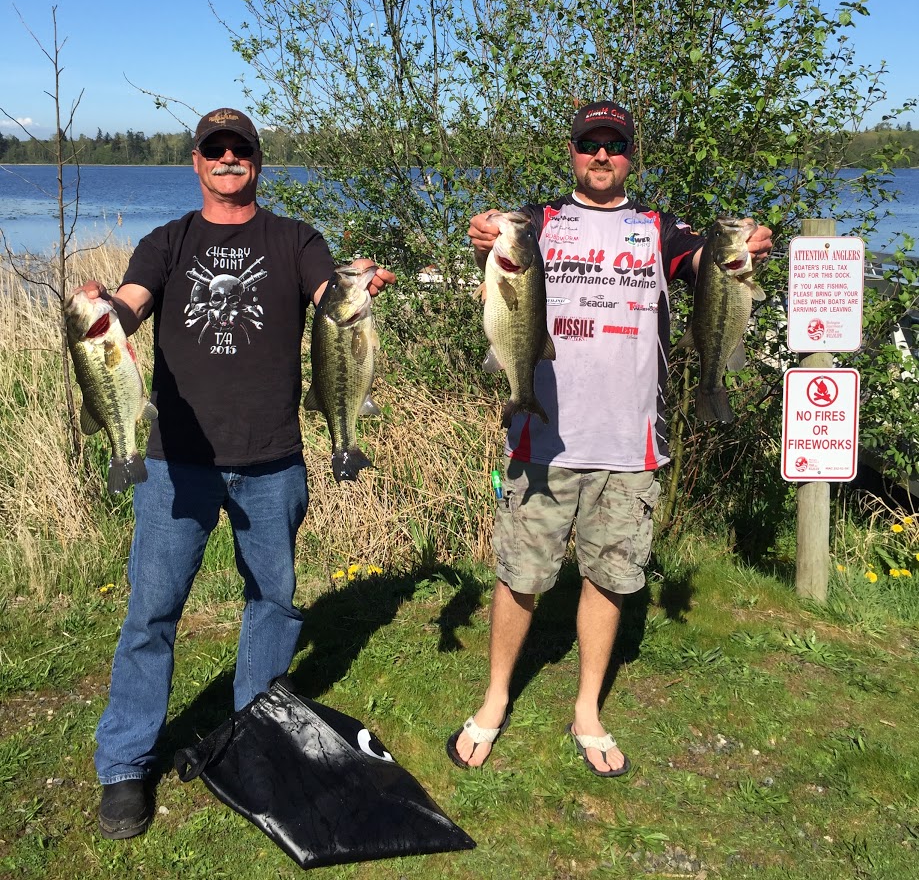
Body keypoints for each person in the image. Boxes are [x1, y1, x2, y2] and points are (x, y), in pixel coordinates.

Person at [80, 108, 394, 839]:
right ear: (196, 161)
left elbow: (328, 300)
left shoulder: (295, 240)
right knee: (151, 611)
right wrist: (102, 311)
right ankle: (125, 764)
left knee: (274, 605)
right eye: (215, 149)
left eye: (240, 150)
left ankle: (256, 732)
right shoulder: (168, 241)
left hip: (272, 457)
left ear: (258, 161)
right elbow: (130, 305)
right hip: (175, 464)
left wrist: (357, 290)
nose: (228, 159)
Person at [447, 101, 772, 777]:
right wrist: (480, 233)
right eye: (589, 144)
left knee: (610, 576)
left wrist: (747, 246)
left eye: (614, 146)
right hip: (542, 436)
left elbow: (706, 262)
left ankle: (587, 707)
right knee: (519, 575)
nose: (601, 157)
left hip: (630, 441)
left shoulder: (657, 227)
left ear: (630, 156)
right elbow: (491, 243)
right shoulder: (534, 222)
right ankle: (494, 697)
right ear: (570, 151)